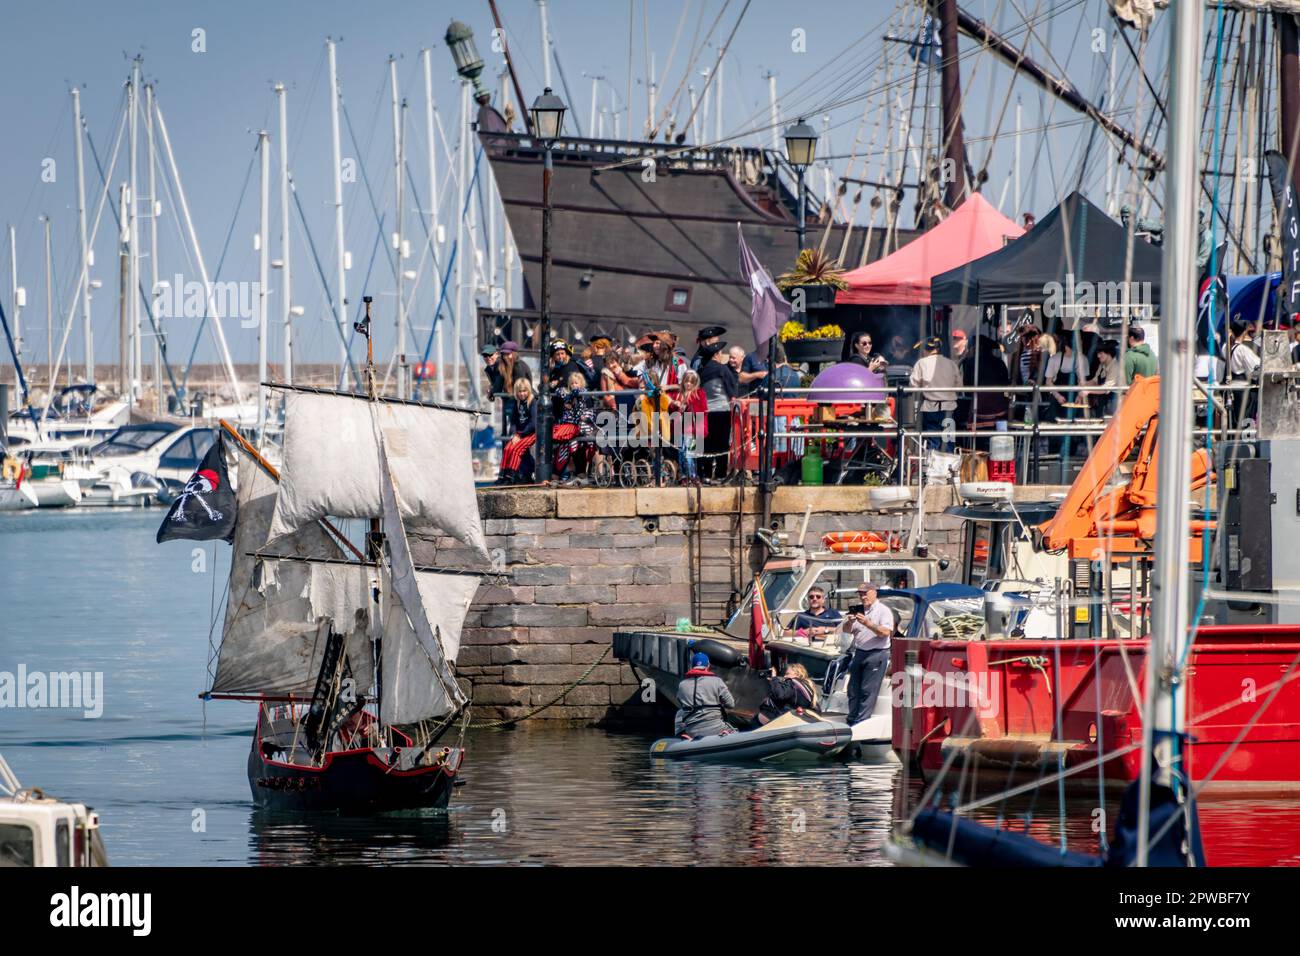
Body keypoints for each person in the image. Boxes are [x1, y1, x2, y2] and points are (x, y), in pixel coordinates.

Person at [839, 584, 894, 725]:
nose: (862, 597)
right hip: (859, 652)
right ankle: (852, 719)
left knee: (867, 690)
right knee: (852, 689)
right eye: (860, 594)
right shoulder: (859, 610)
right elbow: (846, 631)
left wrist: (868, 623)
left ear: (874, 593)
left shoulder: (884, 611)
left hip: (877, 653)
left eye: (865, 593)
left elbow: (885, 633)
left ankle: (862, 721)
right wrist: (849, 622)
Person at [909, 336, 961, 452]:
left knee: (932, 443)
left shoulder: (921, 363)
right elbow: (959, 386)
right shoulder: (951, 364)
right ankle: (949, 469)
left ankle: (933, 469)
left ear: (925, 350)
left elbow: (913, 385)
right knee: (948, 441)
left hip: (930, 409)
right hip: (949, 408)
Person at [697, 341, 737, 481]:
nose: (721, 356)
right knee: (721, 443)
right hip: (722, 410)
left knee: (707, 443)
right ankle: (720, 474)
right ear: (716, 355)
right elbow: (731, 390)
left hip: (705, 411)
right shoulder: (722, 369)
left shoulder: (701, 371)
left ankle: (706, 474)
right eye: (720, 353)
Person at [673, 651, 736, 738]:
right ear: (708, 666)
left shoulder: (682, 685)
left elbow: (681, 703)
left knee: (680, 712)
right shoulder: (717, 681)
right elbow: (731, 704)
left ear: (692, 666)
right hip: (716, 728)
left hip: (692, 730)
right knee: (734, 731)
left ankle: (682, 735)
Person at [496, 378, 538, 484]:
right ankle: (503, 475)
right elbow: (513, 421)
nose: (522, 394)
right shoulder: (516, 402)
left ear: (528, 390)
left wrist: (520, 434)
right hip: (519, 433)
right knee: (507, 449)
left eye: (524, 391)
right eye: (519, 391)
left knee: (516, 450)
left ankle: (511, 476)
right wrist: (515, 433)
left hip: (530, 433)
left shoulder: (533, 402)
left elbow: (533, 423)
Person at [752, 663, 819, 727]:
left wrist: (774, 678)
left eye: (787, 674)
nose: (785, 676)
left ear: (797, 674)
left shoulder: (793, 682)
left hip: (770, 725)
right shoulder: (808, 688)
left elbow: (779, 694)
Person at [673, 369, 708, 484]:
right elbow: (674, 410)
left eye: (691, 382)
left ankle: (693, 475)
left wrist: (687, 404)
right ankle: (683, 475)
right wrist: (678, 406)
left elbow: (702, 410)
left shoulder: (699, 393)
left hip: (693, 428)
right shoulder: (679, 394)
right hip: (682, 427)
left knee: (691, 454)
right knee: (682, 453)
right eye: (686, 381)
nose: (688, 384)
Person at [1089, 339, 1121, 416]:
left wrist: (1087, 391)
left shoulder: (1115, 366)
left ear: (1109, 354)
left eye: (1100, 353)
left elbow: (1106, 389)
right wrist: (1082, 384)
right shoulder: (1102, 365)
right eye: (1097, 353)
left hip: (1112, 403)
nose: (1098, 356)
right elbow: (1094, 381)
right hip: (1101, 401)